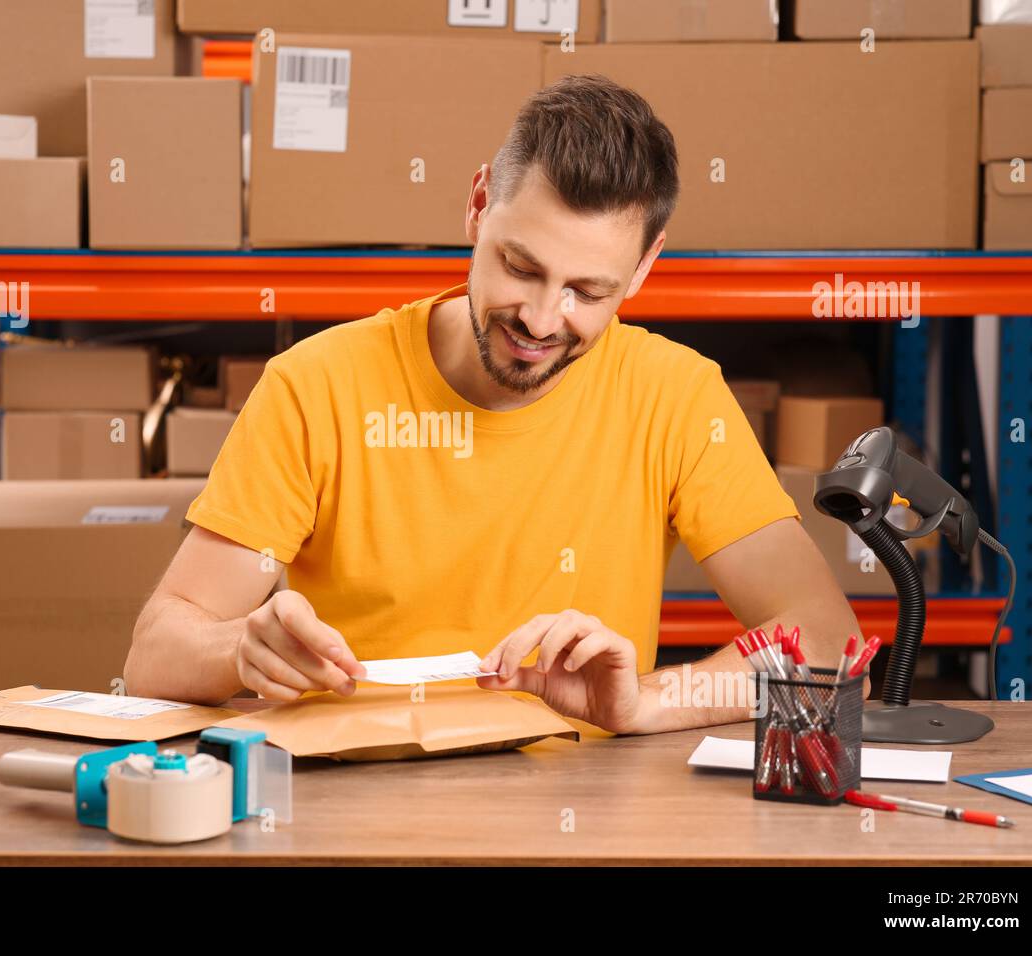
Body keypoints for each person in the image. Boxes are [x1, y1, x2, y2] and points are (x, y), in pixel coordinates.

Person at [126, 74, 864, 734]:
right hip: (356, 812)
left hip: (582, 817)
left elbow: (829, 641)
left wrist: (649, 700)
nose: (543, 319)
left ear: (643, 268)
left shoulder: (675, 397)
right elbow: (153, 656)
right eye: (521, 266)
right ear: (479, 206)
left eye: (589, 290)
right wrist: (240, 649)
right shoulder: (315, 387)